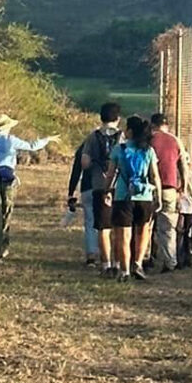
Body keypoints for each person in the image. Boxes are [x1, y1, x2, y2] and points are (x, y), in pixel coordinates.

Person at [0, 115, 53, 260]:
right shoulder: (10, 140)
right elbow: (32, 146)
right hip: (8, 179)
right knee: (6, 212)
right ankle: (3, 245)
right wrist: (46, 139)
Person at [106, 114, 161, 282]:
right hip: (144, 195)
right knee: (143, 231)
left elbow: (110, 174)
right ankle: (138, 263)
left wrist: (106, 190)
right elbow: (154, 175)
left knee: (124, 235)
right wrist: (158, 196)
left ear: (129, 132)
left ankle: (124, 270)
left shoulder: (119, 149)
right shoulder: (148, 150)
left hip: (123, 196)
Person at [75, 102, 122, 276]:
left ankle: (105, 264)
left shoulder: (93, 137)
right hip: (120, 187)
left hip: (99, 186)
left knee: (103, 227)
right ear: (118, 118)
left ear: (101, 118)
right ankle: (118, 263)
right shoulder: (123, 137)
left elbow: (84, 163)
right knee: (119, 227)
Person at [149, 112, 189, 275]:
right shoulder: (175, 140)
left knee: (147, 226)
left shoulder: (149, 140)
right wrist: (183, 186)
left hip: (150, 188)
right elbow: (183, 166)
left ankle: (146, 257)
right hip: (170, 188)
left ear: (152, 125)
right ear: (166, 125)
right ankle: (170, 260)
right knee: (168, 228)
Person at [176, 164, 192, 269]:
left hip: (181, 208)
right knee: (187, 234)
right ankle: (187, 256)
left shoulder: (177, 176)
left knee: (180, 234)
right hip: (190, 208)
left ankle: (180, 257)